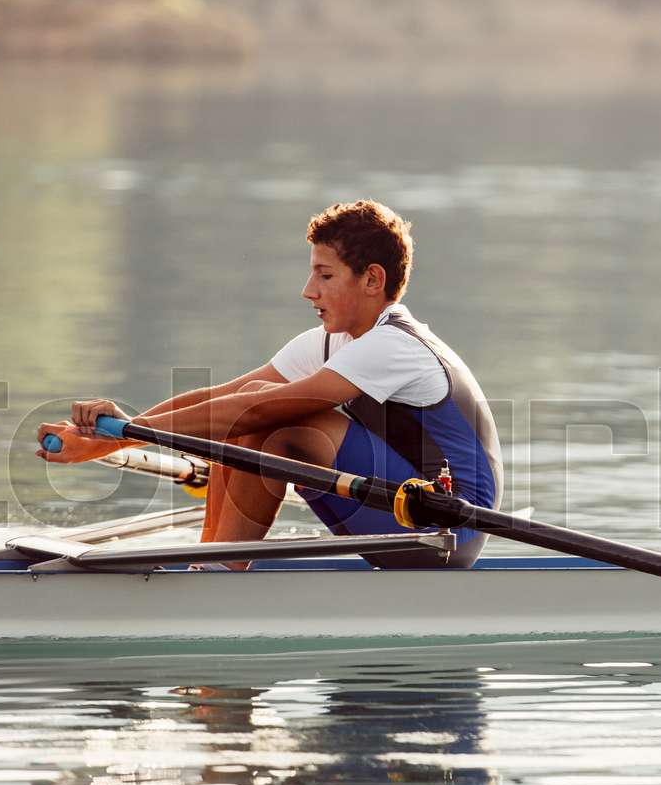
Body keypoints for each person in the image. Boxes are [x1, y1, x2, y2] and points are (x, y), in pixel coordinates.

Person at [36, 200, 502, 568]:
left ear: (372, 280)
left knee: (280, 420)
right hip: (391, 511)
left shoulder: (394, 346)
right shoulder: (326, 342)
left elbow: (257, 413)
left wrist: (117, 437)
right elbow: (220, 399)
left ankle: (222, 573)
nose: (308, 290)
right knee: (251, 405)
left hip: (445, 527)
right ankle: (211, 563)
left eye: (325, 275)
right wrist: (114, 434)